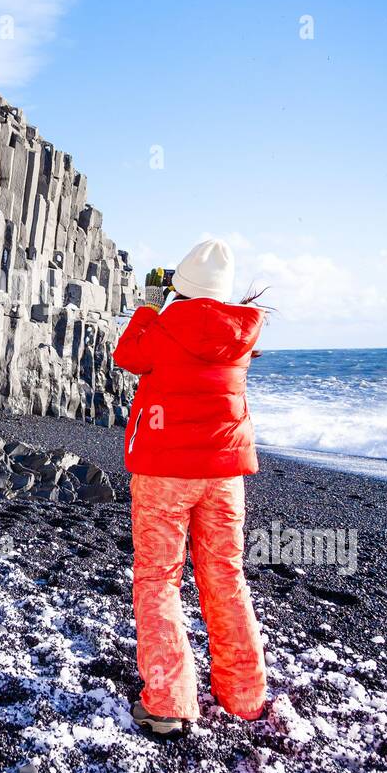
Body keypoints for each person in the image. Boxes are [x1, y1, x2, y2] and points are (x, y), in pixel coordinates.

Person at [114, 238, 268, 738]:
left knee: (159, 578)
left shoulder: (163, 326)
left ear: (179, 286)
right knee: (225, 576)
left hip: (164, 472)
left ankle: (168, 702)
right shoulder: (241, 332)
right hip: (223, 474)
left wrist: (148, 304)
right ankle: (243, 696)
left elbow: (127, 356)